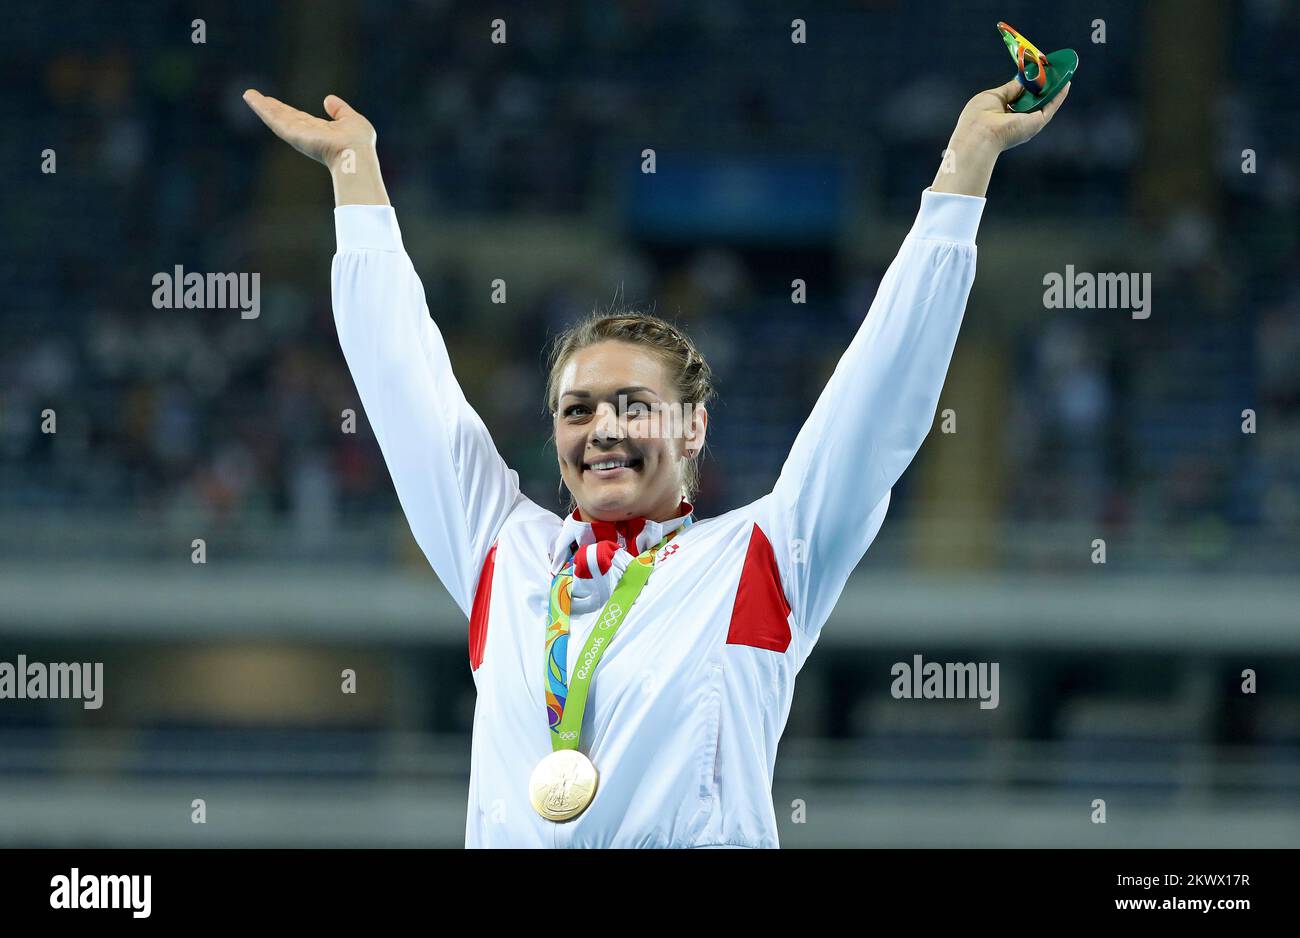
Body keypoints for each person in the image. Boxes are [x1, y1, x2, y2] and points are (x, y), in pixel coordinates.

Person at [243, 76, 1070, 848]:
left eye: (632, 406)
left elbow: (881, 398)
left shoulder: (762, 559)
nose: (601, 429)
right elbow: (404, 388)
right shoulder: (504, 552)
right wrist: (357, 176)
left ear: (693, 427)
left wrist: (964, 169)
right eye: (576, 410)